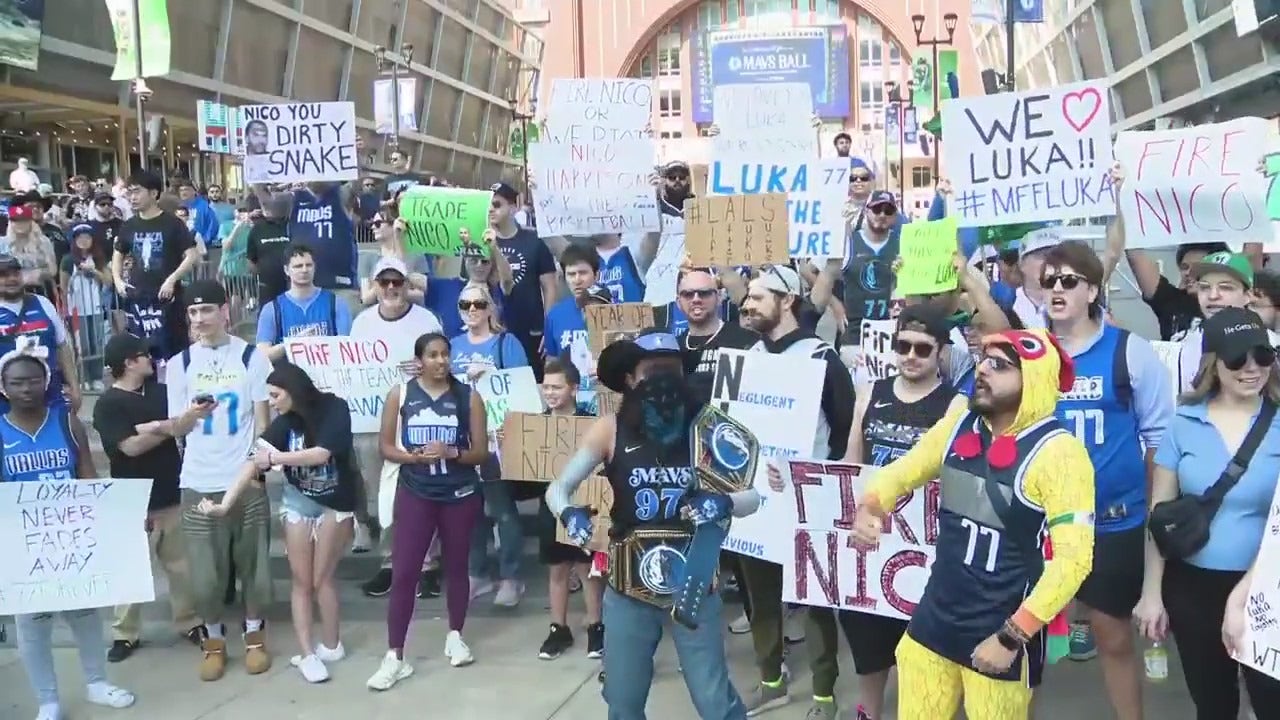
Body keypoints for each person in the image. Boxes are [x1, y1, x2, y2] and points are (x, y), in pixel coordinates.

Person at [849, 328, 1095, 719]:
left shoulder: (1061, 454)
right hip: (933, 622)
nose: (983, 370)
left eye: (1000, 365)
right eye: (983, 358)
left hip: (1000, 631)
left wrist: (1013, 636)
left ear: (1033, 379)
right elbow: (899, 472)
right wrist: (872, 506)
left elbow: (1074, 561)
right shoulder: (959, 424)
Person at [545, 330, 762, 719]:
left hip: (694, 581)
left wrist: (724, 500)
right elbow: (558, 487)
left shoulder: (708, 428)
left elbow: (753, 498)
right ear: (630, 378)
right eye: (651, 370)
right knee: (623, 700)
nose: (662, 379)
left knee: (713, 699)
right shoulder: (610, 429)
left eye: (671, 369)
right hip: (629, 585)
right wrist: (569, 512)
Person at [1038, 241, 1173, 712]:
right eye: (1049, 280)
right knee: (1025, 640)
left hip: (1112, 521)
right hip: (1043, 522)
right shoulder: (1030, 353)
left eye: (1068, 281)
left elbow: (1158, 439)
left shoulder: (1129, 352)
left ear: (1092, 289)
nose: (1057, 288)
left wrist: (1156, 508)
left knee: (1112, 635)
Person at [1134, 307, 1280, 719]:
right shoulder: (1184, 422)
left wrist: (1245, 594)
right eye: (1238, 359)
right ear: (1214, 363)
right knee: (1213, 703)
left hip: (1268, 586)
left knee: (1271, 701)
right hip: (1193, 586)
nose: (1252, 369)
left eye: (1263, 356)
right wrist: (1151, 594)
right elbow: (1160, 517)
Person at [832, 305, 965, 720]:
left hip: (926, 542)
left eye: (922, 349)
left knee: (923, 639)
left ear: (941, 352)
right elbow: (851, 460)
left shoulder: (956, 403)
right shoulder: (871, 391)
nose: (910, 355)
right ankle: (867, 711)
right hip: (873, 532)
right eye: (902, 345)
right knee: (867, 634)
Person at [738, 265, 855, 719]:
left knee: (816, 598)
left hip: (809, 499)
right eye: (747, 297)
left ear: (787, 300)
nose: (748, 305)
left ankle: (825, 692)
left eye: (758, 297)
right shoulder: (747, 357)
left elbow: (844, 430)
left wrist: (820, 481)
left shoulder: (821, 359)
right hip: (757, 499)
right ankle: (771, 680)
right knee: (760, 597)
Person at [199, 363, 358, 684]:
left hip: (335, 502)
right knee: (302, 581)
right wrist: (225, 504)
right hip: (297, 502)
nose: (271, 402)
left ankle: (331, 644)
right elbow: (253, 461)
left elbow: (321, 454)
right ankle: (308, 653)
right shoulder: (284, 423)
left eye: (275, 395)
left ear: (293, 389)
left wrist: (276, 460)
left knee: (322, 578)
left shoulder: (334, 408)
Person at [2, 353, 137, 719]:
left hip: (69, 535)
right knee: (32, 625)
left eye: (33, 379)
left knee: (84, 614)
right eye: (17, 382)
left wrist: (102, 522)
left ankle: (96, 682)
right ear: (4, 387)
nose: (26, 388)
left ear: (45, 382)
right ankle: (48, 701)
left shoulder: (66, 422)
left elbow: (87, 475)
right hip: (24, 541)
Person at [366, 332, 488, 690]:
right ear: (419, 360)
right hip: (417, 491)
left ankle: (455, 634)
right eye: (433, 355)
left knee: (456, 566)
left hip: (459, 491)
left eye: (445, 354)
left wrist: (453, 453)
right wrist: (413, 457)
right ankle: (394, 655)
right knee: (405, 572)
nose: (440, 361)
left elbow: (481, 452)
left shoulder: (468, 396)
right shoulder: (400, 394)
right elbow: (385, 446)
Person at [165, 279, 274, 681]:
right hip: (198, 478)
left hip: (242, 477)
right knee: (205, 575)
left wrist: (258, 468)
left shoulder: (250, 358)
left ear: (224, 310)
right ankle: (213, 640)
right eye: (192, 312)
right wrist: (192, 416)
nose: (199, 319)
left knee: (255, 568)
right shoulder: (180, 363)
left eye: (206, 310)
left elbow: (263, 420)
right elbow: (176, 427)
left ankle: (254, 635)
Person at [94, 333, 201, 663]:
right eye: (144, 356)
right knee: (131, 571)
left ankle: (189, 622)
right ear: (129, 362)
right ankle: (125, 634)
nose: (151, 360)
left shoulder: (162, 392)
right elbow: (128, 447)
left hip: (170, 492)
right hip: (132, 500)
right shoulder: (108, 404)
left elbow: (187, 423)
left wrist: (151, 426)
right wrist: (168, 428)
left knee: (181, 567)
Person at [352, 257, 445, 595]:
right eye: (384, 282)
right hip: (373, 420)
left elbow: (442, 365)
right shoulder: (361, 323)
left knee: (423, 491)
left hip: (420, 418)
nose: (391, 288)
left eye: (397, 282)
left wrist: (424, 368)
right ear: (375, 286)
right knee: (382, 493)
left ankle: (427, 563)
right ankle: (391, 561)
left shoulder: (426, 319)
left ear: (408, 285)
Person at [450, 281, 533, 606]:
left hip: (498, 439)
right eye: (465, 305)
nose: (472, 310)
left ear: (490, 309)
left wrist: (491, 374)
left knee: (501, 509)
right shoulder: (452, 345)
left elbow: (523, 387)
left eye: (479, 304)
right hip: (463, 438)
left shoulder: (506, 343)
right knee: (469, 510)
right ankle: (476, 574)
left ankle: (511, 577)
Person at [534, 358, 605, 660]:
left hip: (585, 503)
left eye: (557, 387)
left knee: (587, 569)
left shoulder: (591, 422)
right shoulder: (534, 424)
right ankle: (557, 627)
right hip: (550, 504)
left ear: (574, 388)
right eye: (546, 387)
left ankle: (596, 626)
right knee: (557, 569)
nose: (550, 393)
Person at [112, 171, 201, 368]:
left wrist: (172, 279)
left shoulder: (172, 224)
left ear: (154, 193)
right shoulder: (129, 225)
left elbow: (192, 255)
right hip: (137, 297)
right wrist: (118, 280)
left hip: (167, 299)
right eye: (129, 193)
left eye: (137, 192)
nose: (132, 197)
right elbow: (118, 253)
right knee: (141, 351)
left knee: (173, 351)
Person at [1172, 251, 1278, 393]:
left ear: (1248, 295)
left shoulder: (1274, 344)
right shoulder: (1179, 344)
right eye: (1204, 287)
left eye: (1226, 287)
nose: (1213, 296)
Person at [489, 181, 558, 378]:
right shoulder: (482, 242)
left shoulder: (534, 242)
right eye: (488, 206)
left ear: (513, 207)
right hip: (496, 329)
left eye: (497, 205)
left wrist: (549, 327)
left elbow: (550, 288)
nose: (491, 210)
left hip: (531, 329)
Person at [0, 252, 81, 414]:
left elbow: (62, 347)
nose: (12, 279)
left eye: (15, 273)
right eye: (3, 275)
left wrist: (75, 386)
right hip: (6, 406)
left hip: (51, 398)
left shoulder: (43, 303)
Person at [255, 243, 354, 362]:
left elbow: (347, 349)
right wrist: (294, 343)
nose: (304, 270)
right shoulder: (272, 309)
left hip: (328, 373)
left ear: (315, 267)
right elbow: (262, 356)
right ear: (287, 270)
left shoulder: (336, 303)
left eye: (308, 265)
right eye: (298, 266)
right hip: (290, 376)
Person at [675, 267, 757, 406]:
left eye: (704, 293)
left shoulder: (747, 341)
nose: (696, 299)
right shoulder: (673, 350)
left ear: (719, 298)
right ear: (678, 303)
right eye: (688, 294)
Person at [61, 223, 111, 390]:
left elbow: (108, 281)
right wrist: (65, 311)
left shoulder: (98, 258)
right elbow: (64, 286)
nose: (84, 241)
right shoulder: (68, 260)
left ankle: (96, 377)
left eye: (87, 237)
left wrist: (94, 271)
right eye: (80, 237)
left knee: (96, 343)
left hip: (95, 307)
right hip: (77, 309)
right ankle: (83, 377)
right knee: (82, 344)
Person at [358, 208, 428, 306]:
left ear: (393, 224)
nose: (373, 227)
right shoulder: (367, 257)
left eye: (378, 223)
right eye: (372, 224)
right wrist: (384, 286)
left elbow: (421, 294)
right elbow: (365, 298)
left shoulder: (416, 255)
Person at [246, 192, 294, 308]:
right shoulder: (257, 229)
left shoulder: (293, 226)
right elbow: (251, 260)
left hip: (293, 284)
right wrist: (264, 272)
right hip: (267, 285)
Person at [2, 203, 59, 298]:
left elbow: (53, 269)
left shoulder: (43, 241)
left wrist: (40, 273)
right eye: (16, 221)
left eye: (23, 221)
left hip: (40, 291)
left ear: (31, 222)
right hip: (7, 293)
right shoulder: (2, 243)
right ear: (10, 223)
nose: (20, 224)